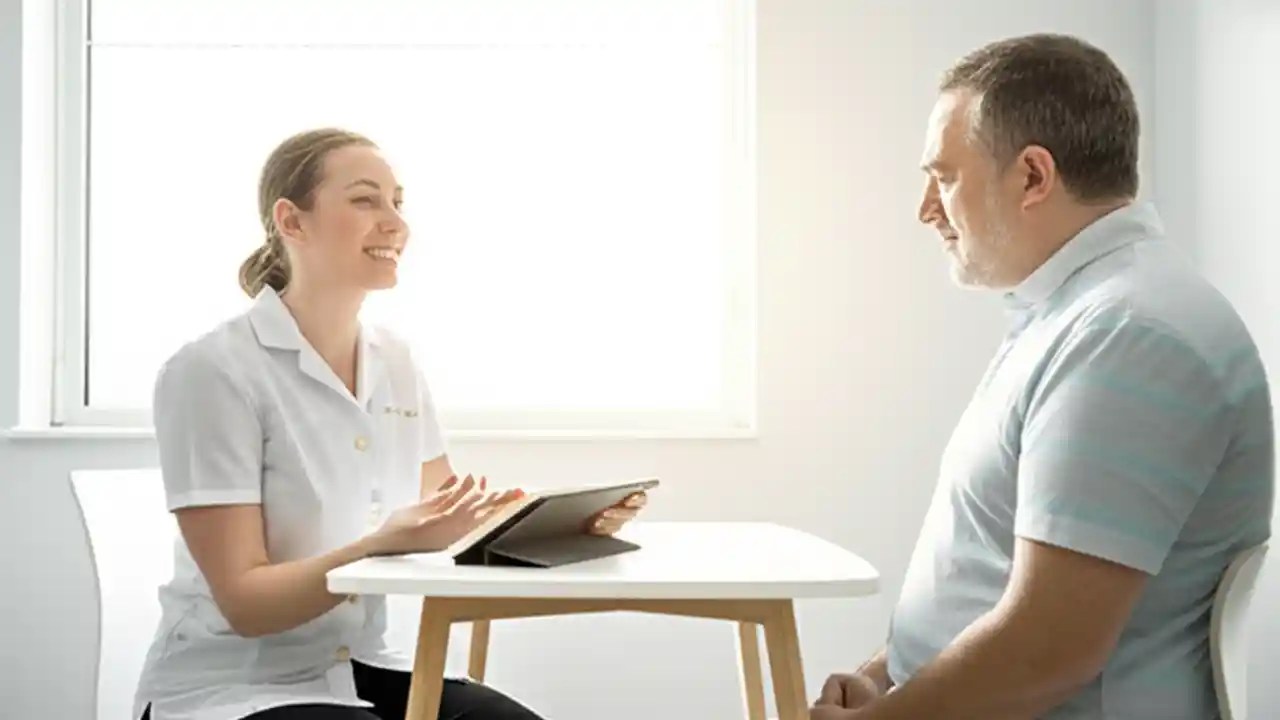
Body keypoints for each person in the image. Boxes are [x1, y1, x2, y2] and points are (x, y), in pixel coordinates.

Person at [812, 34, 1274, 720]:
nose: (927, 210)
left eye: (943, 176)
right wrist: (887, 676)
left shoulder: (1130, 336)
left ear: (1032, 176)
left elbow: (1049, 647)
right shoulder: (1078, 317)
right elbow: (987, 563)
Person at [133, 128, 648, 720]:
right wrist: (381, 546)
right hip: (234, 685)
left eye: (397, 202)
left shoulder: (395, 361)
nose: (395, 222)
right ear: (292, 222)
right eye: (364, 199)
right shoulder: (212, 371)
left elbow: (451, 520)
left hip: (367, 667)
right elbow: (247, 605)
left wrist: (563, 524)